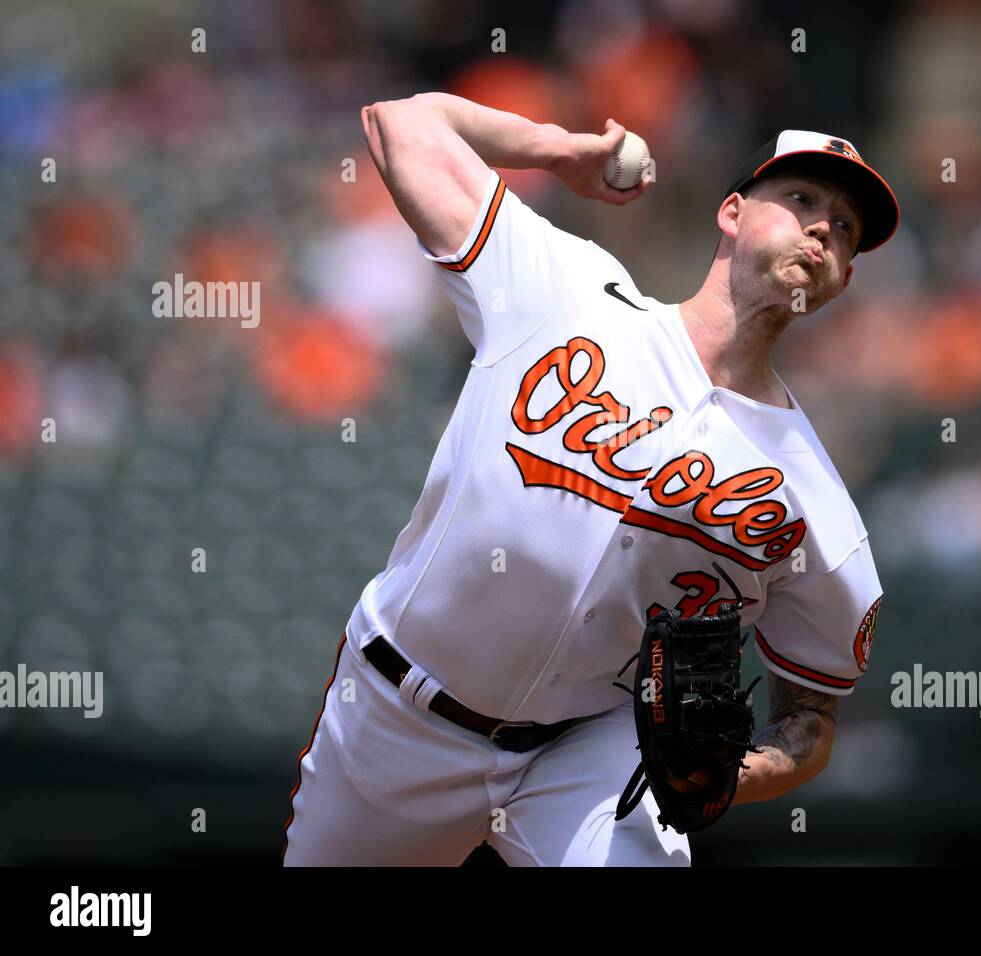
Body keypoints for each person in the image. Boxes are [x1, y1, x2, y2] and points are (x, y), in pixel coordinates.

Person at [282, 92, 899, 866]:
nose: (822, 229)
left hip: (591, 749)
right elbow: (397, 123)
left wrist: (727, 774)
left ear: (841, 277)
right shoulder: (565, 292)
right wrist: (552, 148)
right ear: (733, 212)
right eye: (802, 200)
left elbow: (811, 716)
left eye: (845, 230)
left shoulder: (816, 503)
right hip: (396, 713)